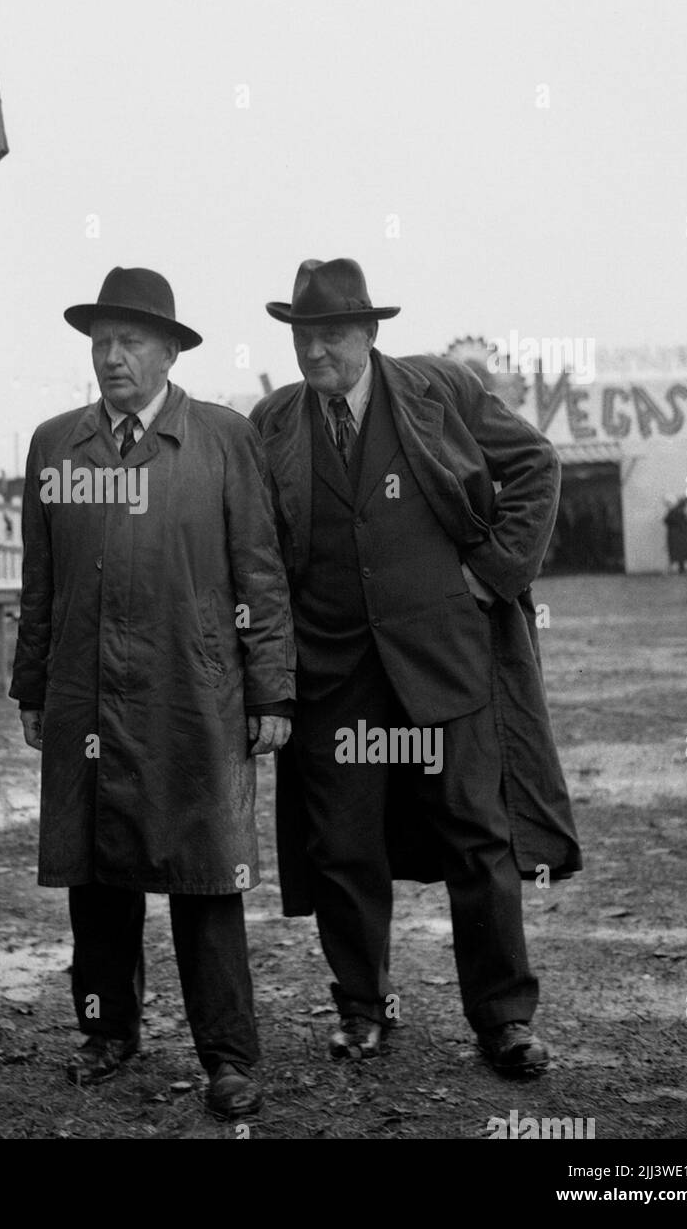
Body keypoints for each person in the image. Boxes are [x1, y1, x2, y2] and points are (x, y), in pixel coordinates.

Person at [249, 257, 582, 1077]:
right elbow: (254, 546)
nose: (316, 350)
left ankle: (503, 1019)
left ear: (367, 333)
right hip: (334, 678)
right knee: (342, 846)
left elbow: (535, 464)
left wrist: (493, 572)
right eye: (302, 335)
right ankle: (362, 1009)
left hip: (445, 663)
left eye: (332, 333)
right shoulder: (273, 423)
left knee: (479, 837)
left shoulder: (441, 391)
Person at [9, 266, 295, 1118]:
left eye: (130, 341)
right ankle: (107, 1032)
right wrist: (33, 685)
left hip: (189, 693)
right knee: (95, 874)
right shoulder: (54, 445)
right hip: (85, 694)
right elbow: (41, 579)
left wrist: (270, 689)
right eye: (100, 342)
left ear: (170, 351)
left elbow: (260, 571)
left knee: (206, 876)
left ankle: (229, 1059)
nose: (111, 357)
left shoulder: (219, 439)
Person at [663, 495, 687, 574]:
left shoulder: (674, 512)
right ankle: (683, 568)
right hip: (681, 535)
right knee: (682, 552)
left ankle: (678, 569)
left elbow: (666, 521)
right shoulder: (681, 513)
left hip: (675, 536)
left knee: (676, 552)